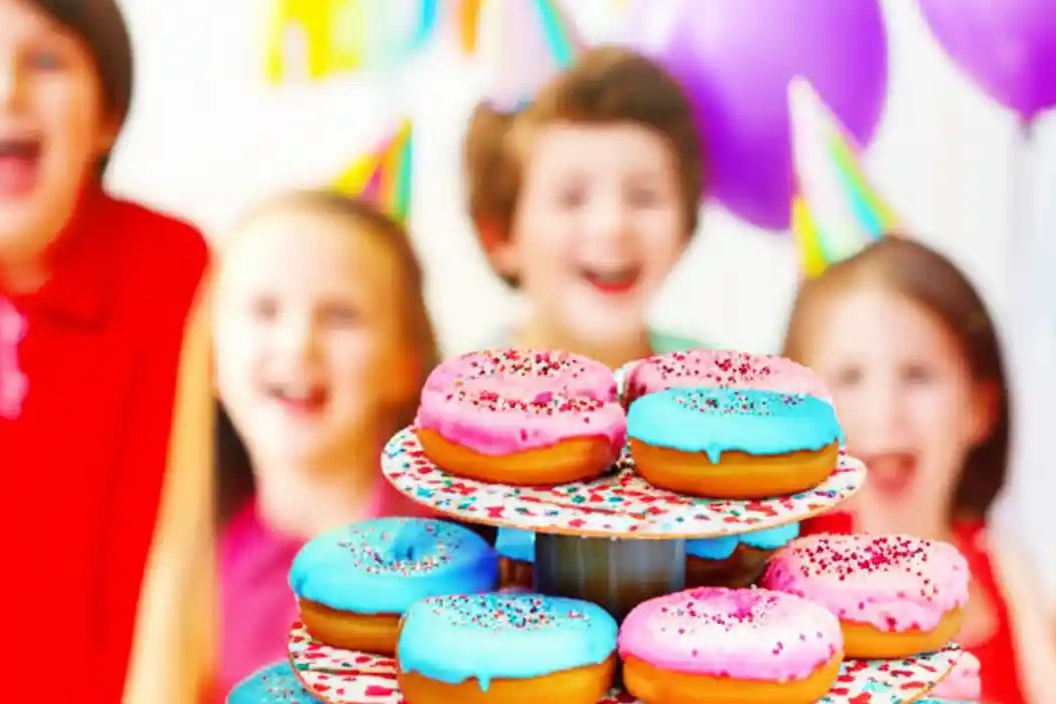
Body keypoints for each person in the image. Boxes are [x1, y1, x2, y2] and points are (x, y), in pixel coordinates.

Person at [787, 237, 1056, 703]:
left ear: (980, 408)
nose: (885, 412)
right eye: (849, 378)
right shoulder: (775, 575)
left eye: (918, 375)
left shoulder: (1001, 565)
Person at [0, 0, 212, 701]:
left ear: (107, 116)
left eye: (46, 61)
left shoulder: (175, 270)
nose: (4, 89)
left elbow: (187, 549)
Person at [214, 192, 439, 694]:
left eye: (341, 316)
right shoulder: (192, 569)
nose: (297, 344)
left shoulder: (463, 559)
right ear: (209, 357)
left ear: (405, 363)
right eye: (264, 310)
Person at [464, 46, 704, 365]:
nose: (612, 225)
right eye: (571, 199)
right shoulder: (462, 389)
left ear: (686, 226)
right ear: (500, 232)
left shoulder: (722, 385)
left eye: (644, 196)